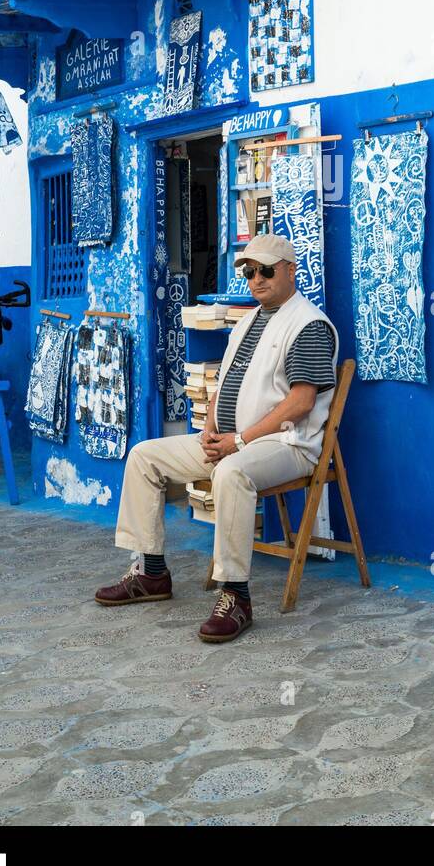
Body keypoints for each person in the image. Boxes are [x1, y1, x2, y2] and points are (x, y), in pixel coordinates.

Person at [95, 234, 338, 642]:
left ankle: (236, 596)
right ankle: (152, 573)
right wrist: (209, 426)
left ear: (290, 270)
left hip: (285, 446)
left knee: (231, 474)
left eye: (266, 270)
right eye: (248, 272)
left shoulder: (308, 325)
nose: (255, 279)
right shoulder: (246, 321)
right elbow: (224, 385)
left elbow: (300, 403)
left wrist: (239, 441)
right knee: (143, 456)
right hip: (230, 441)